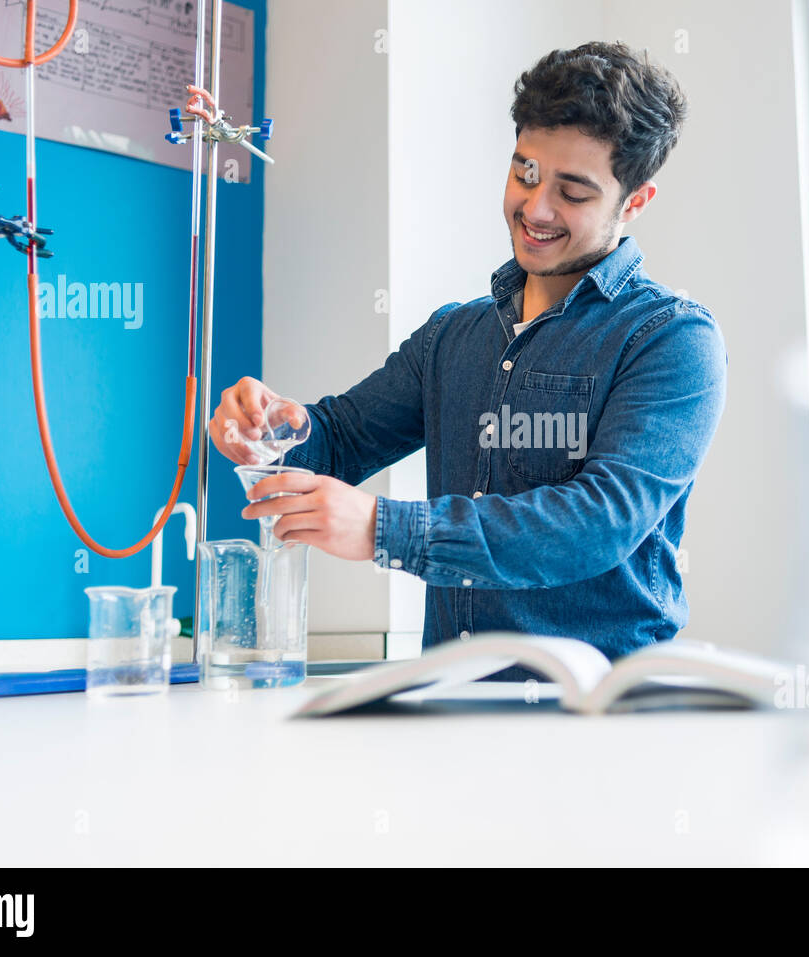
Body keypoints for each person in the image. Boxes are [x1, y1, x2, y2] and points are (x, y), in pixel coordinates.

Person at [210, 40, 727, 665]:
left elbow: (598, 524)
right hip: (450, 700)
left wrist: (383, 530)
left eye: (574, 192)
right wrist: (268, 428)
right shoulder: (454, 335)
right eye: (526, 173)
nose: (536, 208)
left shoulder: (671, 340)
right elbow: (337, 443)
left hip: (600, 717)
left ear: (635, 200)